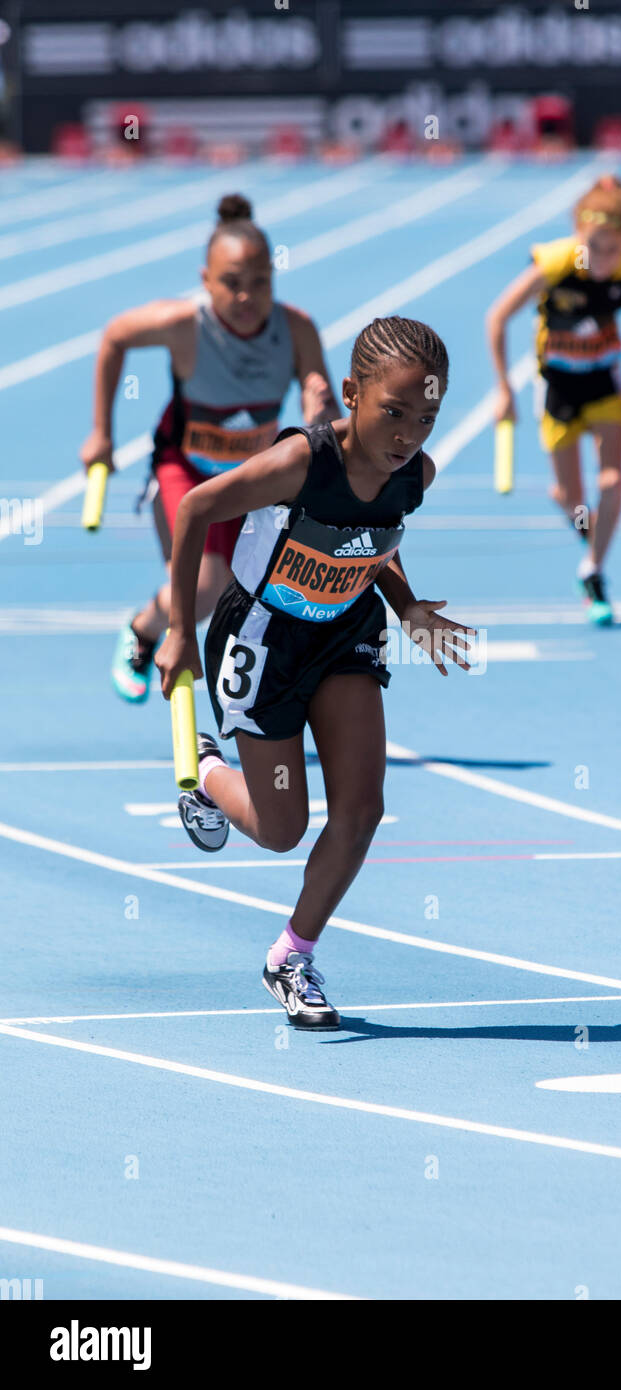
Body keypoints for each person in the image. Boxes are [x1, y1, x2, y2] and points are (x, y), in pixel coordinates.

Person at [155, 316, 475, 1031]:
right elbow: (195, 508)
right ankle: (207, 770)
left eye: (426, 417)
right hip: (264, 638)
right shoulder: (302, 463)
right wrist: (178, 628)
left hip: (345, 636)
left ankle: (291, 956)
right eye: (393, 413)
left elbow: (375, 541)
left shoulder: (412, 474)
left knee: (361, 809)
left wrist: (408, 606)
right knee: (281, 828)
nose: (408, 434)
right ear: (353, 395)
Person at [79, 193, 339, 701]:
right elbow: (114, 337)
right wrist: (101, 432)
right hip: (183, 469)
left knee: (249, 593)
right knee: (202, 587)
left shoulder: (296, 329)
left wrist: (320, 411)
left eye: (260, 282)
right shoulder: (184, 325)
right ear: (205, 281)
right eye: (231, 284)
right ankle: (143, 630)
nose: (246, 297)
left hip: (249, 481)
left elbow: (326, 414)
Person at [487, 174, 621, 624]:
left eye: (612, 249)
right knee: (570, 496)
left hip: (604, 382)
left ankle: (593, 570)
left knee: (612, 481)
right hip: (558, 386)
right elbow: (497, 319)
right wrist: (505, 389)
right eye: (593, 246)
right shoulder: (555, 265)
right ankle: (593, 539)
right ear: (579, 233)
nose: (602, 259)